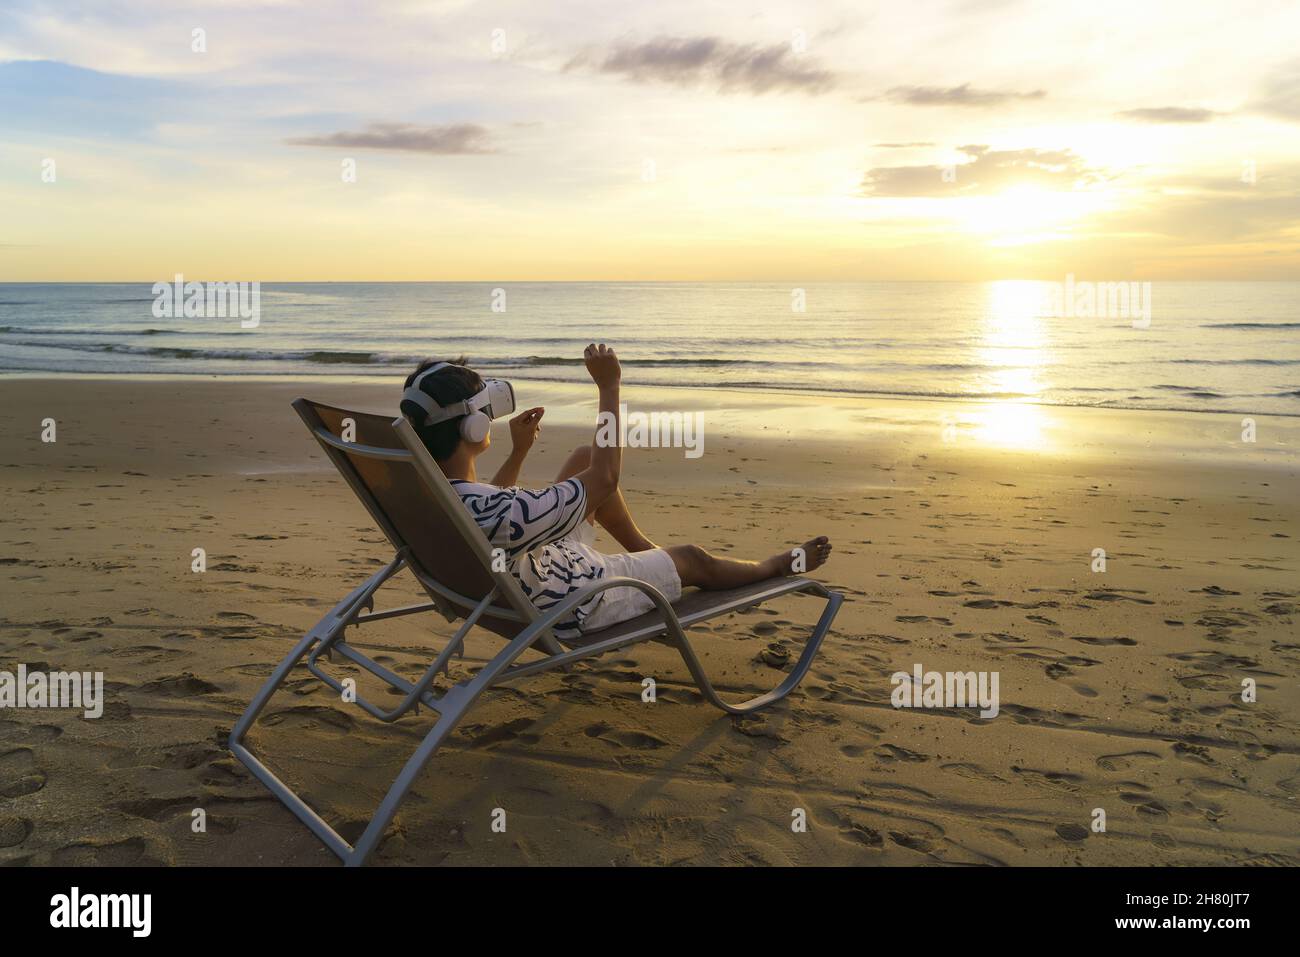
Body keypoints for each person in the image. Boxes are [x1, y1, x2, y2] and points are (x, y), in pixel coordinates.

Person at [398, 344, 831, 641]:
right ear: (473, 426)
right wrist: (609, 386)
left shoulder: (435, 495)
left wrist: (518, 454)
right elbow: (604, 479)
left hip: (530, 570)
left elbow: (492, 521)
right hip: (575, 602)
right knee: (693, 555)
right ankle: (769, 566)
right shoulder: (499, 511)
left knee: (584, 456)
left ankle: (648, 555)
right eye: (486, 409)